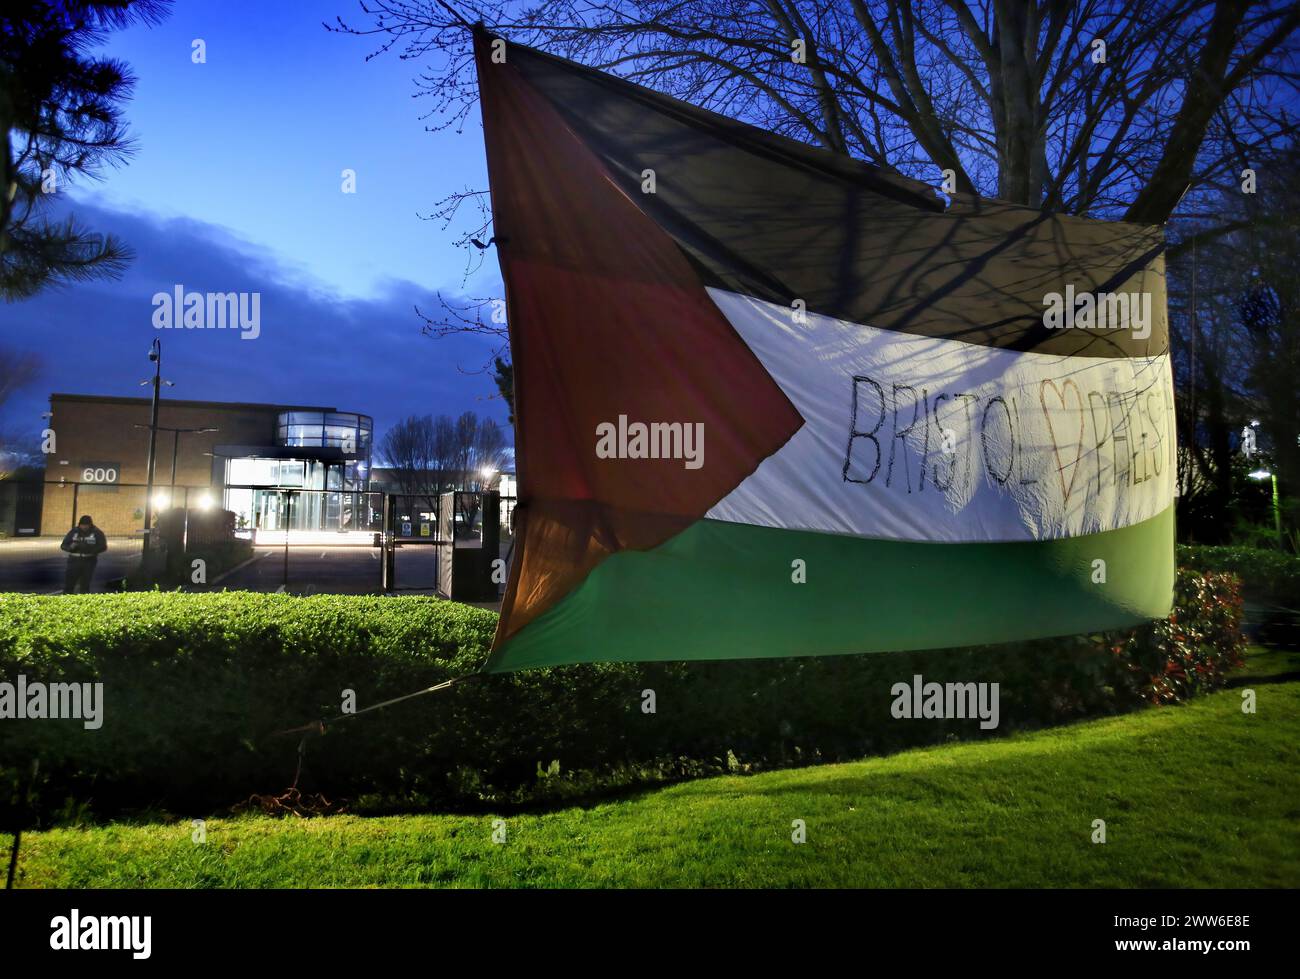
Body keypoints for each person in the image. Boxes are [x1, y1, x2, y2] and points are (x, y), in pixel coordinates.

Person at [61, 515, 107, 594]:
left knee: (85, 584)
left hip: (89, 560)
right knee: (69, 583)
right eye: (82, 525)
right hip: (74, 560)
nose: (84, 527)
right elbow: (63, 545)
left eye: (86, 525)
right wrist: (70, 547)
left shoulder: (97, 532)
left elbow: (103, 546)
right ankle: (66, 599)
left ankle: (83, 600)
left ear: (90, 525)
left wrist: (91, 550)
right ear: (79, 524)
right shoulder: (74, 532)